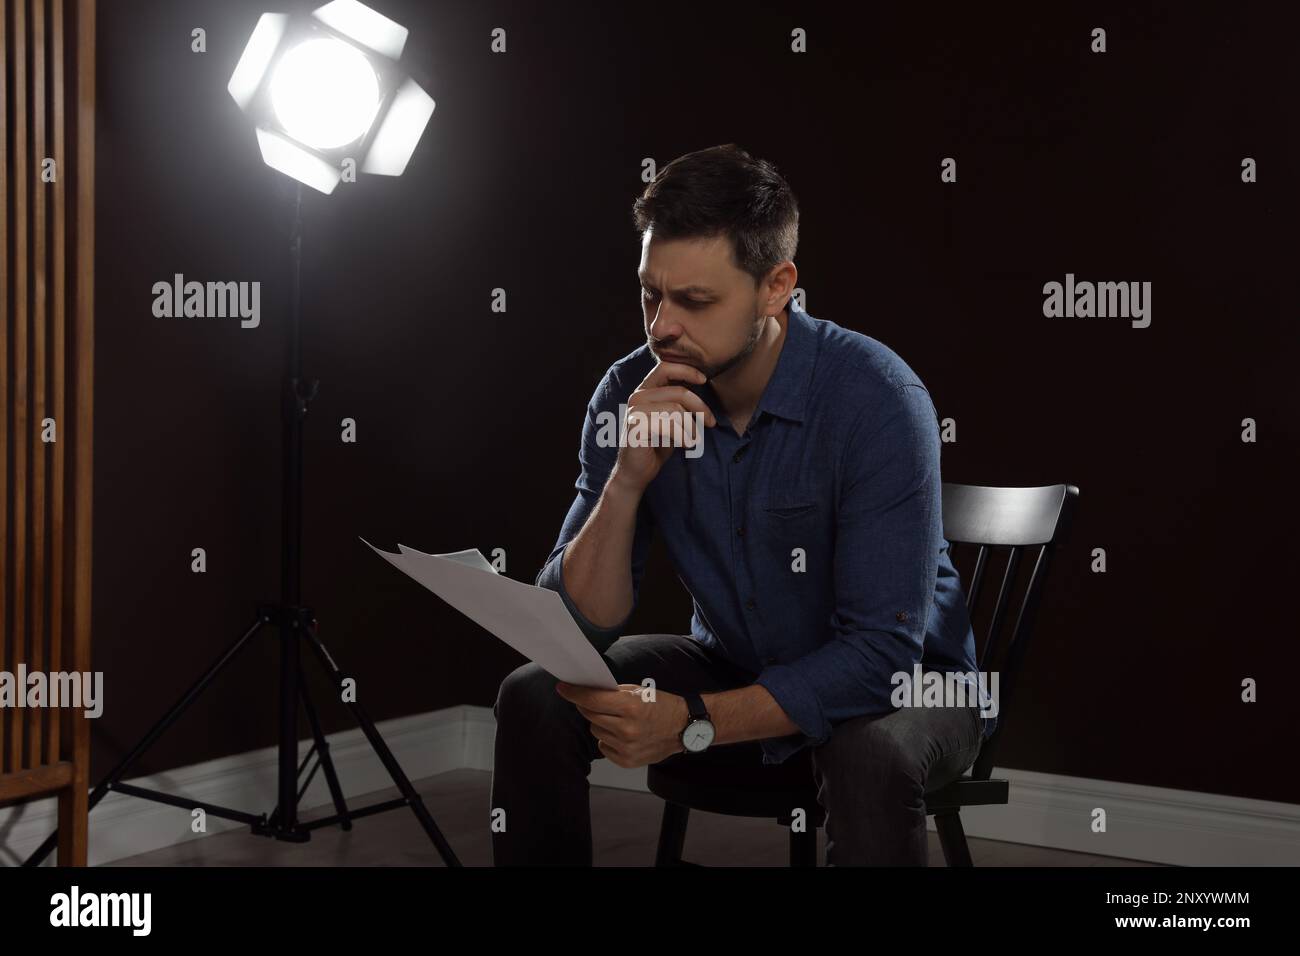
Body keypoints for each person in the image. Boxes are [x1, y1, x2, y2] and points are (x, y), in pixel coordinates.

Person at [491, 143, 992, 866]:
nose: (662, 326)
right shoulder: (629, 392)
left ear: (776, 285)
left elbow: (880, 657)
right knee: (537, 693)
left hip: (914, 687)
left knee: (869, 751)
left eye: (695, 301)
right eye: (649, 293)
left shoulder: (877, 398)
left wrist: (692, 722)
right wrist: (627, 481)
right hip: (738, 663)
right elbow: (567, 633)